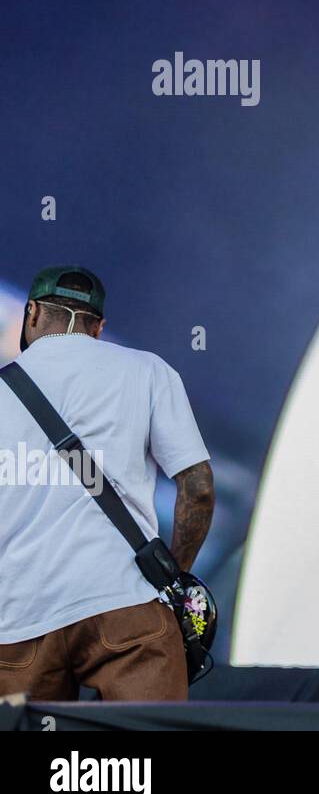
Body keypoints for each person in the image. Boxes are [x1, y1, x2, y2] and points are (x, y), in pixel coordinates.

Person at [0, 266, 214, 701]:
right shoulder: (148, 372)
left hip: (18, 619)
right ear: (98, 327)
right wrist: (175, 575)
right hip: (125, 606)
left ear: (33, 313)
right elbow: (199, 488)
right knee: (143, 766)